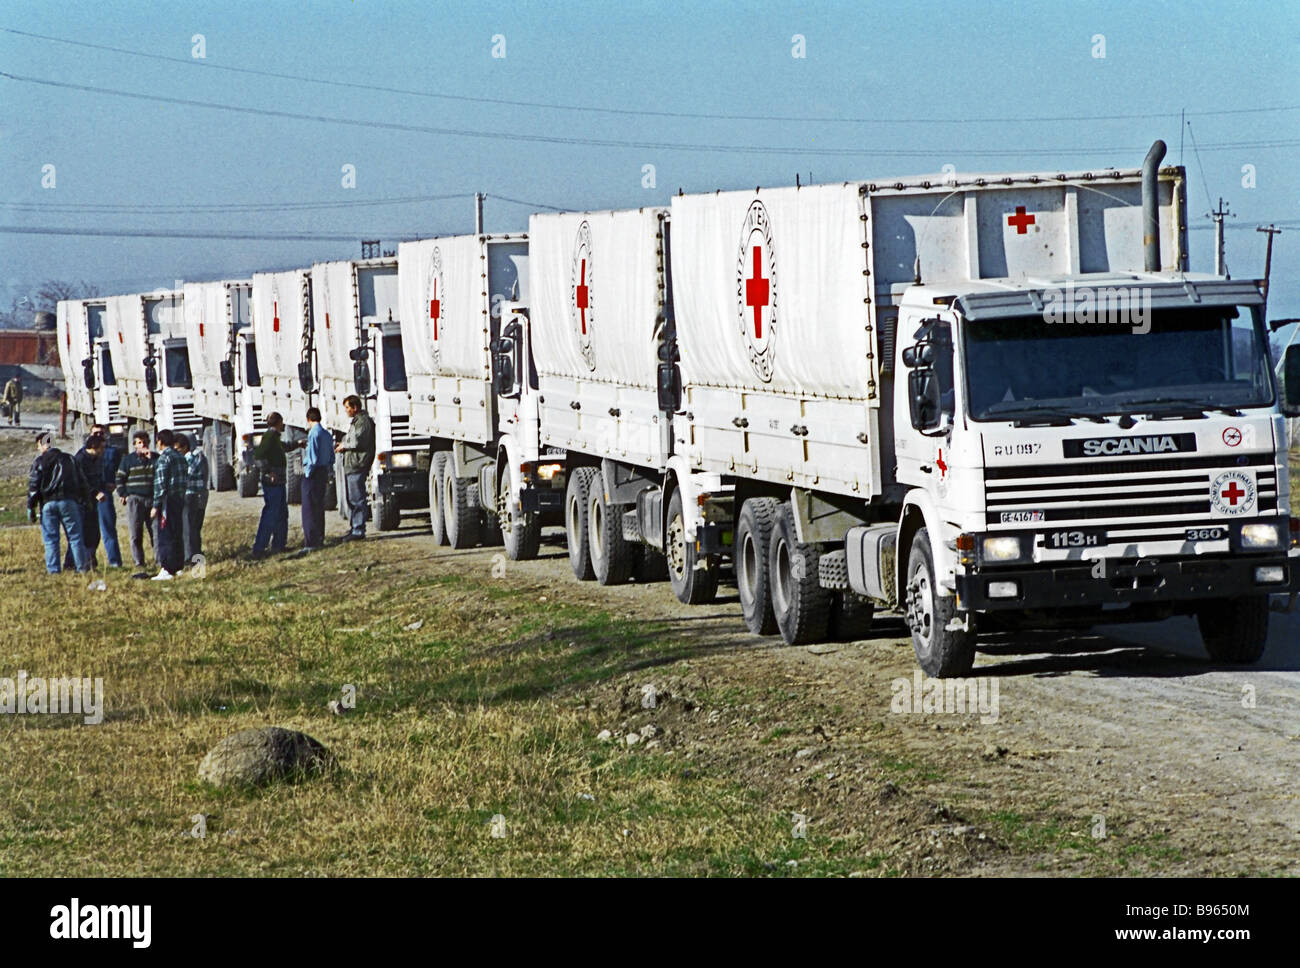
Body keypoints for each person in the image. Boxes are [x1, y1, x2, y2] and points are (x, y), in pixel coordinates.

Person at [27, 431, 90, 574]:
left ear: (42, 444)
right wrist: (86, 500)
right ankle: (81, 568)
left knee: (51, 539)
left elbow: (33, 486)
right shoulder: (69, 459)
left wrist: (31, 506)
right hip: (69, 501)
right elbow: (82, 481)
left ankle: (54, 570)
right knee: (75, 537)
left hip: (48, 504)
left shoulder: (39, 462)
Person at [64, 433, 107, 570]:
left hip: (92, 503)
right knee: (79, 535)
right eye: (102, 448)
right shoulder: (80, 460)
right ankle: (71, 564)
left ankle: (90, 561)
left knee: (93, 534)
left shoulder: (97, 459)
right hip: (80, 502)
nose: (104, 451)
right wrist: (95, 492)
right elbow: (82, 483)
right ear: (94, 447)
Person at [335, 395, 375, 541]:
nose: (346, 410)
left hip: (358, 464)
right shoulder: (356, 422)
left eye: (347, 407)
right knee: (352, 498)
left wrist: (343, 446)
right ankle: (354, 527)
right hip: (352, 464)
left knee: (357, 498)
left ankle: (358, 530)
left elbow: (357, 441)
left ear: (355, 407)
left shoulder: (363, 422)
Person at [150, 429, 187, 580]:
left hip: (167, 500)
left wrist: (155, 505)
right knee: (178, 532)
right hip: (179, 498)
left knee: (165, 534)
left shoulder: (164, 458)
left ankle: (167, 568)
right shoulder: (180, 457)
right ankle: (178, 566)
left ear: (160, 441)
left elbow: (160, 484)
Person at [116, 430, 156, 570]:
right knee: (136, 532)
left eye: (145, 442)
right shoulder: (128, 460)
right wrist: (124, 494)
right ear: (134, 445)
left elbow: (162, 474)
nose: (143, 445)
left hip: (152, 499)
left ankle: (159, 559)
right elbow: (119, 478)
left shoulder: (155, 458)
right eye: (139, 443)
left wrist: (151, 458)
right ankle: (139, 561)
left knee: (155, 531)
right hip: (135, 499)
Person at [251, 411, 289, 557]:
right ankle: (260, 547)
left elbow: (280, 448)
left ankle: (279, 544)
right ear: (278, 422)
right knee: (271, 514)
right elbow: (259, 456)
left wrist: (297, 444)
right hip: (273, 482)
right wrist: (268, 472)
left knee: (281, 513)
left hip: (278, 481)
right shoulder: (270, 436)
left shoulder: (274, 437)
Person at [299, 406, 334, 554]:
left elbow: (312, 457)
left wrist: (307, 474)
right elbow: (331, 456)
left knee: (309, 509)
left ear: (308, 419)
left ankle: (311, 541)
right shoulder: (326, 434)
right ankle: (320, 537)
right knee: (319, 506)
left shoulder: (314, 434)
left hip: (313, 473)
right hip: (323, 470)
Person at [92, 423, 124, 567]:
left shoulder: (113, 452)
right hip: (90, 494)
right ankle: (89, 560)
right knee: (90, 530)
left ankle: (114, 561)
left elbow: (121, 471)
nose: (98, 436)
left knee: (108, 529)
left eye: (101, 433)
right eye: (95, 433)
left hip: (105, 495)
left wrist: (117, 485)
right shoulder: (85, 453)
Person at [175, 433, 208, 566]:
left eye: (178, 449)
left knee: (188, 527)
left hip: (191, 494)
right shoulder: (199, 457)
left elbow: (185, 475)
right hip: (198, 495)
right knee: (194, 527)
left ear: (185, 447)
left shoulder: (191, 458)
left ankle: (190, 557)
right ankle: (196, 554)